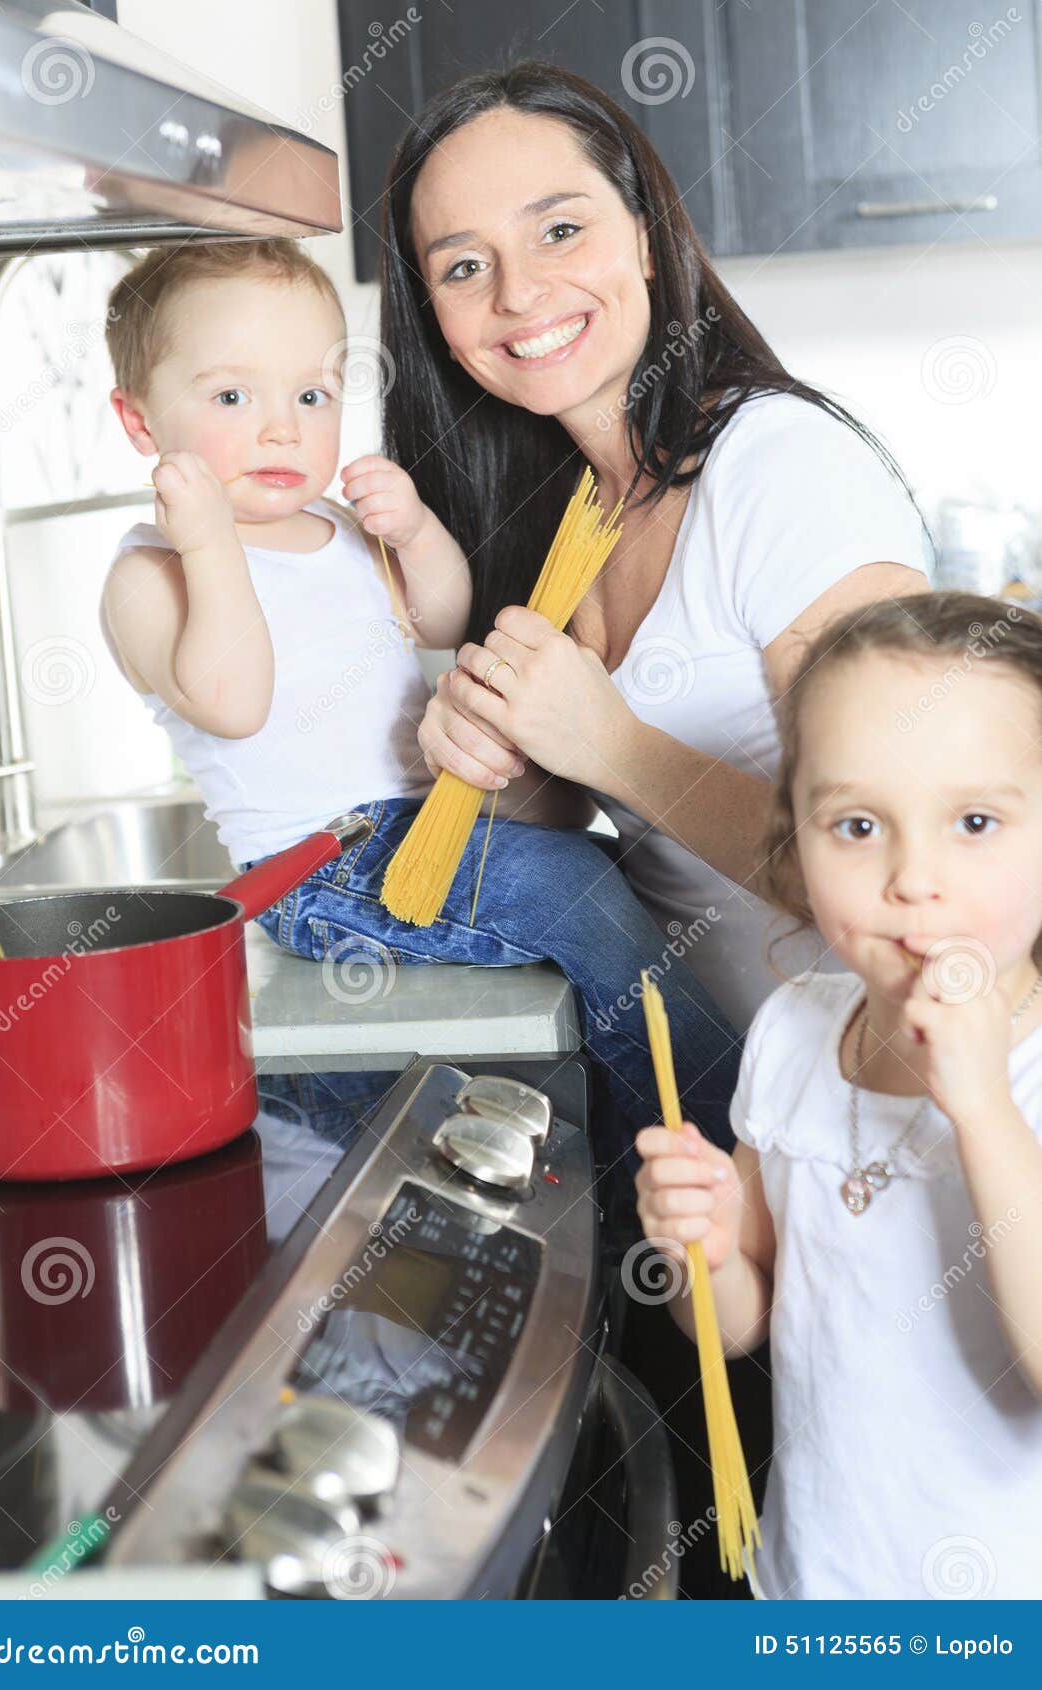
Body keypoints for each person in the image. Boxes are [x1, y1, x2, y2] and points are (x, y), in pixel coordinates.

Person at [99, 238, 743, 1179]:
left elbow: (438, 615)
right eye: (233, 397)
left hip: (442, 822)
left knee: (622, 871)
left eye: (311, 396)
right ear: (139, 420)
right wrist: (209, 545)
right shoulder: (152, 574)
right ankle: (715, 1146)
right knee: (571, 894)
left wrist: (414, 533)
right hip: (319, 866)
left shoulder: (342, 531)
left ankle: (637, 1156)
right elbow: (235, 702)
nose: (283, 430)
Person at [375, 60, 934, 1034]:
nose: (517, 292)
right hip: (720, 1119)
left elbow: (904, 861)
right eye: (463, 265)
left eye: (558, 229)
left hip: (881, 1107)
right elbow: (631, 820)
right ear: (434, 316)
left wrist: (610, 745)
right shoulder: (564, 512)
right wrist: (508, 773)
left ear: (641, 233)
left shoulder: (779, 468)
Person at [635, 590, 1042, 1600]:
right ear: (795, 835)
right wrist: (708, 1245)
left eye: (974, 822)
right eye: (855, 824)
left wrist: (983, 1108)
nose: (911, 878)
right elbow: (738, 1325)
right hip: (808, 1586)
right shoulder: (793, 1032)